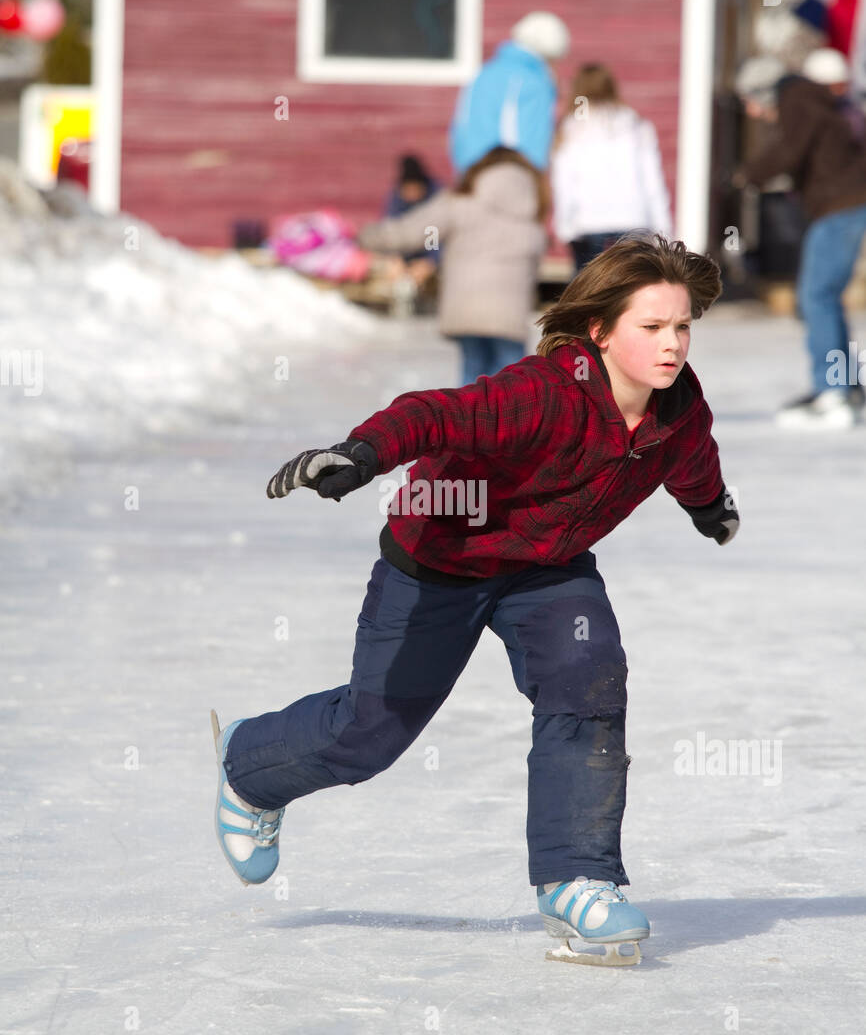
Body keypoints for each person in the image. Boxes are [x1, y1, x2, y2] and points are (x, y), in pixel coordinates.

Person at [210, 234, 740, 969]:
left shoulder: (675, 409)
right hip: (439, 560)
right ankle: (251, 764)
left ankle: (579, 878)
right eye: (651, 327)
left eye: (681, 326)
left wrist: (709, 507)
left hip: (547, 569)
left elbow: (694, 457)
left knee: (588, 678)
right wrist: (362, 454)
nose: (672, 344)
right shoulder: (543, 394)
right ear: (600, 331)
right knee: (372, 732)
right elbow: (436, 413)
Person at [734, 55, 866, 427]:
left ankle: (832, 393)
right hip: (844, 204)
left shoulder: (798, 100)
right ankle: (845, 388)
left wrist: (748, 176)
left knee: (815, 297)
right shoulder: (808, 99)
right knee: (824, 298)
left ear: (763, 90)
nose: (753, 112)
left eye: (751, 101)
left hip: (842, 206)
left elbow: (790, 150)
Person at [357, 145, 548, 384]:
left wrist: (365, 236)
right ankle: (514, 419)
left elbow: (410, 231)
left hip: (465, 306)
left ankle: (470, 420)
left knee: (472, 383)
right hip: (510, 314)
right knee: (513, 384)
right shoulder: (531, 216)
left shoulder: (459, 204)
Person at [551, 63, 674, 272]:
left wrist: (564, 224)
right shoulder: (636, 125)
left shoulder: (571, 128)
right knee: (631, 288)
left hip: (587, 221)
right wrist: (664, 227)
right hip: (632, 218)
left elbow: (564, 182)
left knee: (586, 291)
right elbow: (652, 181)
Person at [448, 12, 571, 176]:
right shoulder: (532, 80)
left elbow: (460, 129)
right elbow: (531, 139)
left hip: (470, 175)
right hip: (512, 178)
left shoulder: (484, 74)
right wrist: (534, 180)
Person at [380, 155, 442, 292]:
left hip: (430, 254)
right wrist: (395, 258)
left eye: (415, 189)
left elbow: (435, 233)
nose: (411, 195)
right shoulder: (396, 199)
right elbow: (391, 230)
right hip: (407, 256)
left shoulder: (436, 200)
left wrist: (429, 262)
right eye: (408, 190)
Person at [801, 47, 865, 143]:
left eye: (844, 85)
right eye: (837, 86)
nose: (843, 91)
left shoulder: (852, 113)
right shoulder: (800, 114)